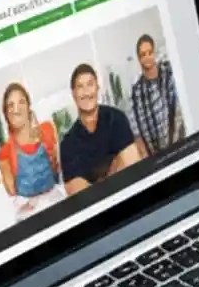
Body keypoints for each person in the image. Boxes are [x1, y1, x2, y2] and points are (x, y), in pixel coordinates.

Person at [60, 63, 143, 194]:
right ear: (74, 94)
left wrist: (96, 184)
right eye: (80, 87)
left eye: (90, 84)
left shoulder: (116, 119)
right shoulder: (68, 145)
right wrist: (116, 165)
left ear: (97, 87)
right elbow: (79, 196)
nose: (86, 92)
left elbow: (133, 166)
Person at [0, 83, 63, 221]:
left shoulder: (48, 130)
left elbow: (58, 170)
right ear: (6, 114)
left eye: (21, 101)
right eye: (10, 105)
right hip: (29, 215)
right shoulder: (5, 152)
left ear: (28, 106)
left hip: (55, 203)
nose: (16, 109)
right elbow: (12, 192)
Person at [128, 33, 185, 157]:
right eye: (143, 54)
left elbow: (179, 111)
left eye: (150, 52)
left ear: (154, 53)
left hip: (179, 144)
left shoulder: (168, 74)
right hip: (154, 155)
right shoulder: (136, 92)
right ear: (139, 59)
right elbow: (136, 131)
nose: (147, 57)